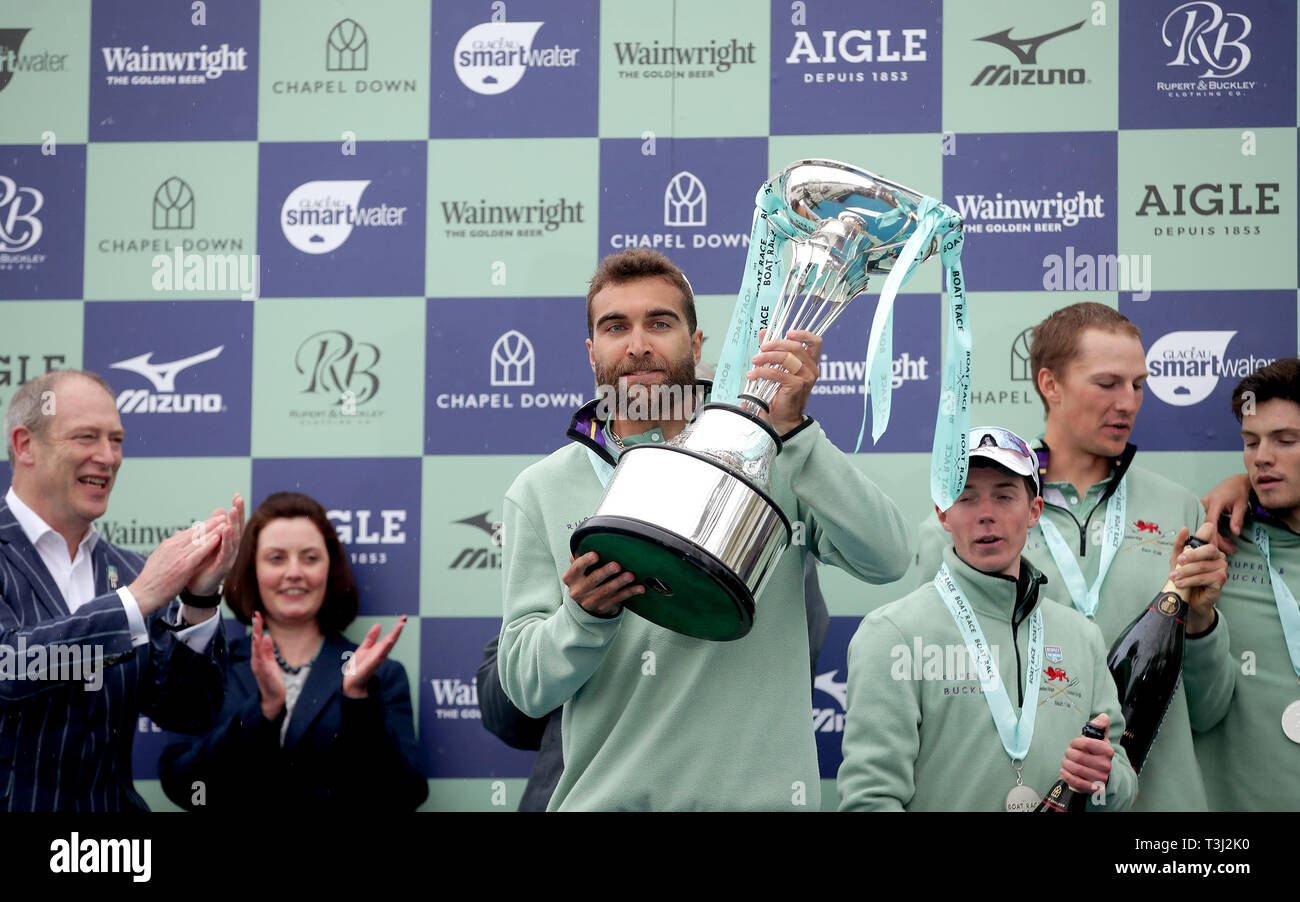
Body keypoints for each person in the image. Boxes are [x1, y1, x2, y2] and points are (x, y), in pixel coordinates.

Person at [496, 248, 911, 811]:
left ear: (695, 345)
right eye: (616, 327)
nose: (638, 343)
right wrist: (582, 618)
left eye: (659, 323)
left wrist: (797, 436)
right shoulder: (540, 489)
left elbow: (887, 558)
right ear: (593, 353)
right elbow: (523, 687)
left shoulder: (772, 458)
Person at [912, 302, 1233, 811]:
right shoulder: (963, 527)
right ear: (1050, 384)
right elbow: (932, 698)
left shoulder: (1180, 510)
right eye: (1107, 384)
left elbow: (1210, 710)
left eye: (1138, 385)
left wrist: (1200, 620)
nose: (1127, 402)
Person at [839, 427, 1138, 811]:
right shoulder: (893, 635)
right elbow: (871, 800)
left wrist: (1104, 779)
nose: (986, 515)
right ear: (943, 514)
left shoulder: (1082, 636)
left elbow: (1122, 786)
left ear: (1034, 511)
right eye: (967, 498)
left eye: (1004, 496)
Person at [1, 370, 237, 812]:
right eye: (86, 437)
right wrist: (134, 601)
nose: (108, 457)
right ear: (25, 445)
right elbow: (10, 667)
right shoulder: (137, 586)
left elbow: (189, 713)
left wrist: (199, 602)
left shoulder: (126, 569)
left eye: (117, 440)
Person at [159, 492, 427, 811]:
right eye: (276, 558)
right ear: (252, 571)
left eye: (310, 558)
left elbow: (404, 795)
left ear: (331, 570)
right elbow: (184, 785)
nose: (294, 572)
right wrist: (263, 711)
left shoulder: (380, 675)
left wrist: (358, 701)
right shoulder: (212, 668)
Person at [1193, 359, 1300, 810]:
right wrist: (1197, 621)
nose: (1261, 457)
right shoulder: (1216, 545)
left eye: (1284, 440)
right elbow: (1198, 713)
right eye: (1250, 442)